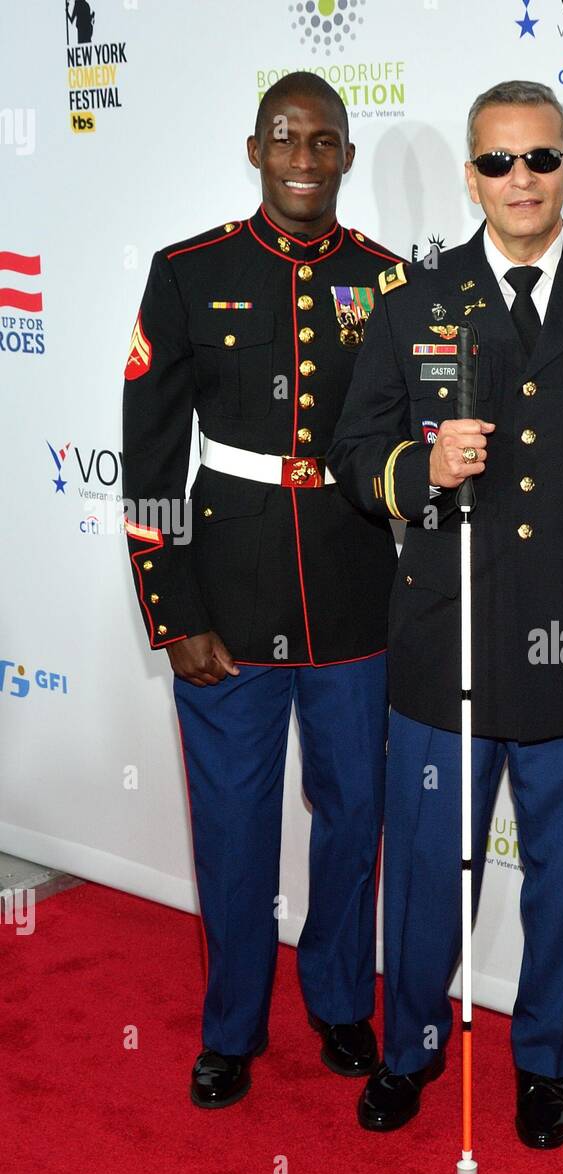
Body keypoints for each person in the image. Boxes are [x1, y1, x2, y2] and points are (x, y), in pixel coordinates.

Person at [328, 81, 563, 1147]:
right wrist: (420, 467)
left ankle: (549, 1059)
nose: (522, 180)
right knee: (424, 869)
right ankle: (410, 1044)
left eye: (541, 159)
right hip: (443, 633)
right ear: (471, 175)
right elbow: (354, 450)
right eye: (499, 162)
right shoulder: (417, 298)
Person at [121, 73, 403, 1109]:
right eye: (285, 137)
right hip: (228, 597)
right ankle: (232, 1023)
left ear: (345, 159)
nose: (303, 157)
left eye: (324, 141)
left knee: (353, 812)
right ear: (254, 149)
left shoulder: (386, 279)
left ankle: (338, 1000)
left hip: (353, 590)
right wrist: (176, 613)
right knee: (233, 824)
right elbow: (152, 461)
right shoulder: (189, 271)